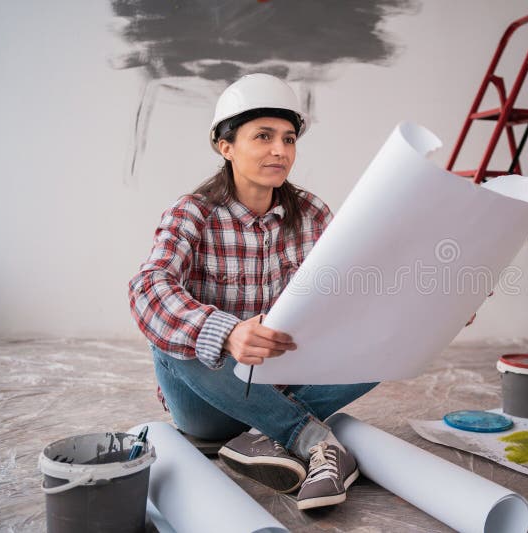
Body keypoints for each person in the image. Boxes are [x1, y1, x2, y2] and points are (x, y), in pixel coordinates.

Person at [128, 73, 377, 511]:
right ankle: (313, 440)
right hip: (211, 403)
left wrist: (428, 310)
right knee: (169, 334)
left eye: (288, 138)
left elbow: (352, 290)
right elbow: (148, 288)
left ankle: (267, 435)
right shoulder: (192, 212)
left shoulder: (314, 212)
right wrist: (224, 332)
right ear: (225, 146)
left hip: (285, 385)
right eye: (263, 136)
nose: (280, 150)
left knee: (385, 337)